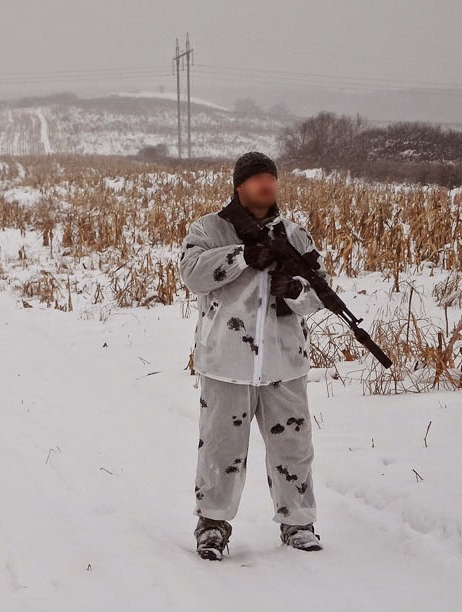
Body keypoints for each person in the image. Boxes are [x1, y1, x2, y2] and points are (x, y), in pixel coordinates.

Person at [177, 151, 330, 560]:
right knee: (221, 449)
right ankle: (212, 524)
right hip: (226, 362)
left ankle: (298, 524)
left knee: (294, 447)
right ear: (240, 185)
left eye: (271, 177)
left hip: (284, 364)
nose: (267, 184)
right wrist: (242, 257)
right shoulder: (209, 229)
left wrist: (295, 290)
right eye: (258, 178)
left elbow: (321, 294)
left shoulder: (295, 236)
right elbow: (190, 273)